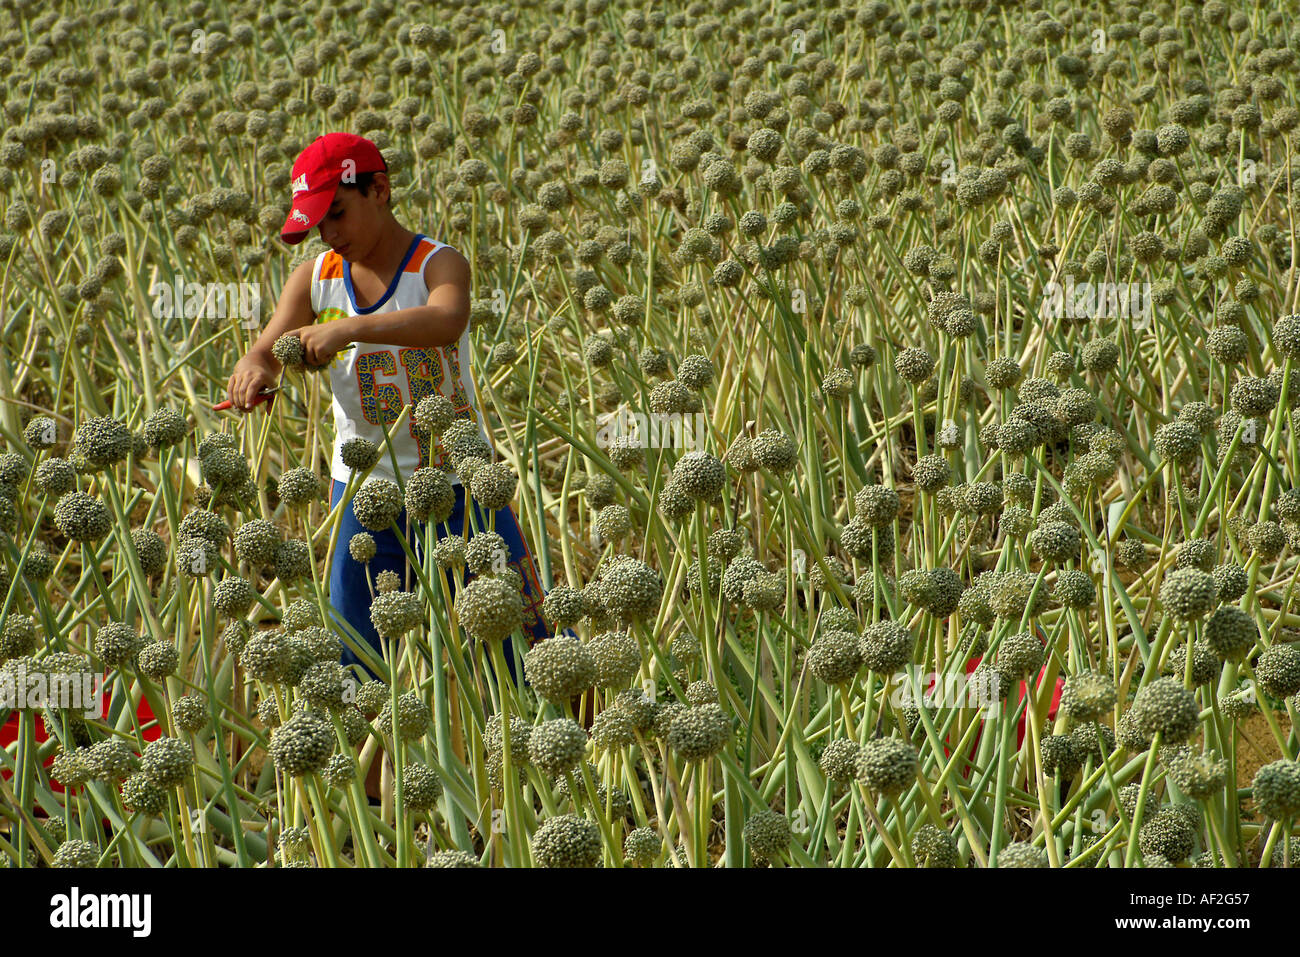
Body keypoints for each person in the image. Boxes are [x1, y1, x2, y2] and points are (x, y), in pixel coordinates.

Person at [226, 132, 552, 689]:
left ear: (379, 190)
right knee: (356, 650)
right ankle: (374, 774)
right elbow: (267, 346)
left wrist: (350, 328)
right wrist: (256, 369)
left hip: (458, 481)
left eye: (337, 214)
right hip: (361, 487)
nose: (328, 234)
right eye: (316, 223)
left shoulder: (437, 264)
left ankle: (579, 751)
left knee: (522, 639)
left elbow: (445, 319)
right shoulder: (313, 277)